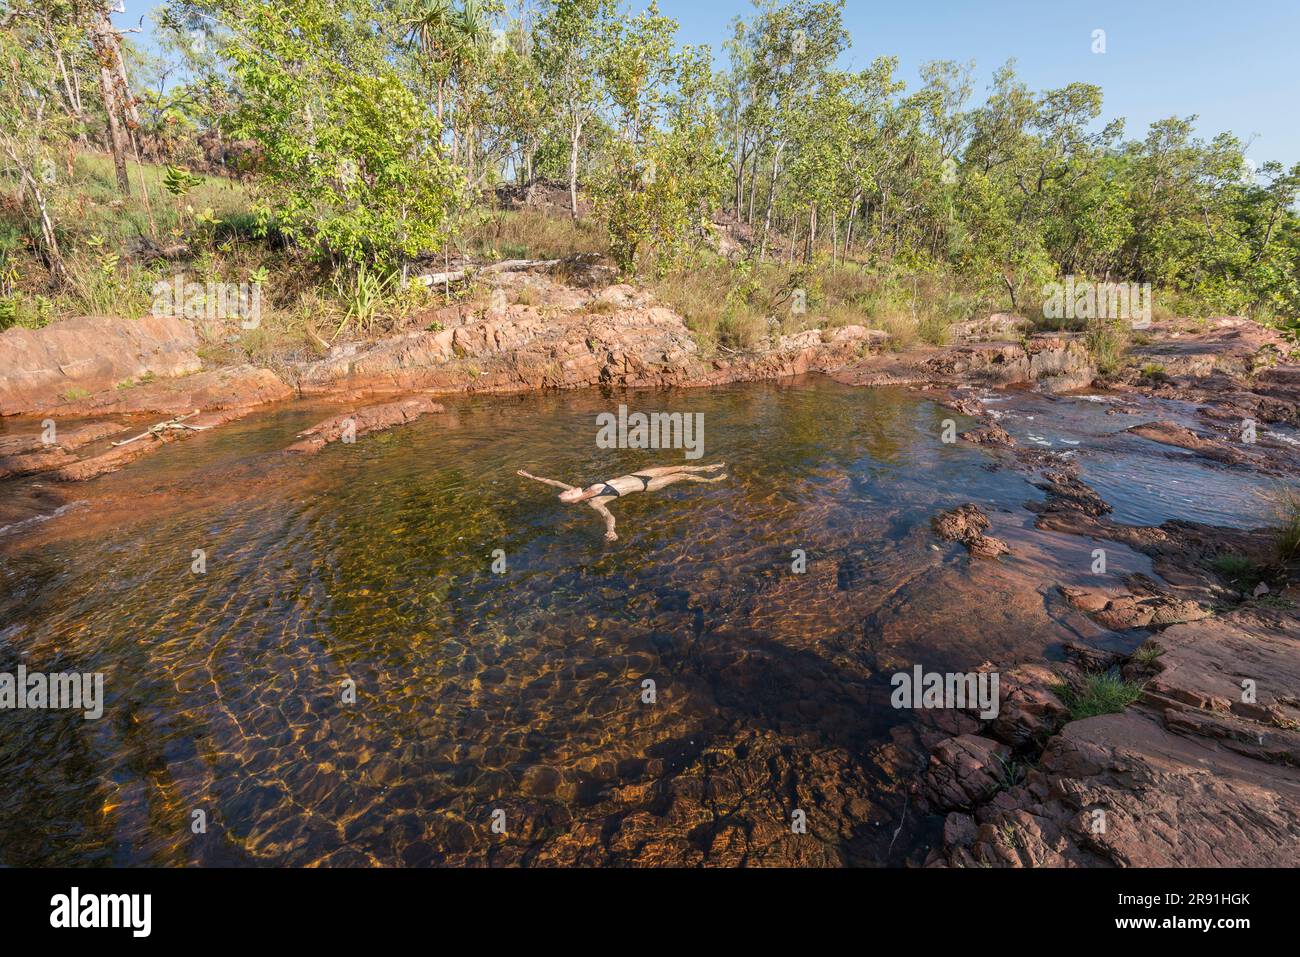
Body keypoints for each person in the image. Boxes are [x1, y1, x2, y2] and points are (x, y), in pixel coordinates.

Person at [517, 463, 728, 541]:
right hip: (645, 486)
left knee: (677, 467)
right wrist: (612, 530)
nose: (571, 489)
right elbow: (609, 516)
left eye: (569, 490)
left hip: (636, 474)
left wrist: (532, 477)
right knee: (682, 476)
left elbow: (554, 482)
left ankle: (708, 467)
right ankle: (711, 480)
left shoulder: (579, 490)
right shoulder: (594, 502)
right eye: (570, 493)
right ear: (573, 501)